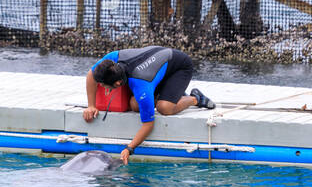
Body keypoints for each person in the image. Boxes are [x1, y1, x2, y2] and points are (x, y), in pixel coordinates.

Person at [83, 46, 215, 163]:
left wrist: (130, 148)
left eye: (103, 84)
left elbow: (149, 124)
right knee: (134, 105)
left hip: (179, 66)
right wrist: (91, 106)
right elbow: (91, 75)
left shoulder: (141, 85)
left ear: (117, 83)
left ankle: (195, 98)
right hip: (157, 68)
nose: (100, 86)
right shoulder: (112, 60)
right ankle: (172, 94)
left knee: (165, 108)